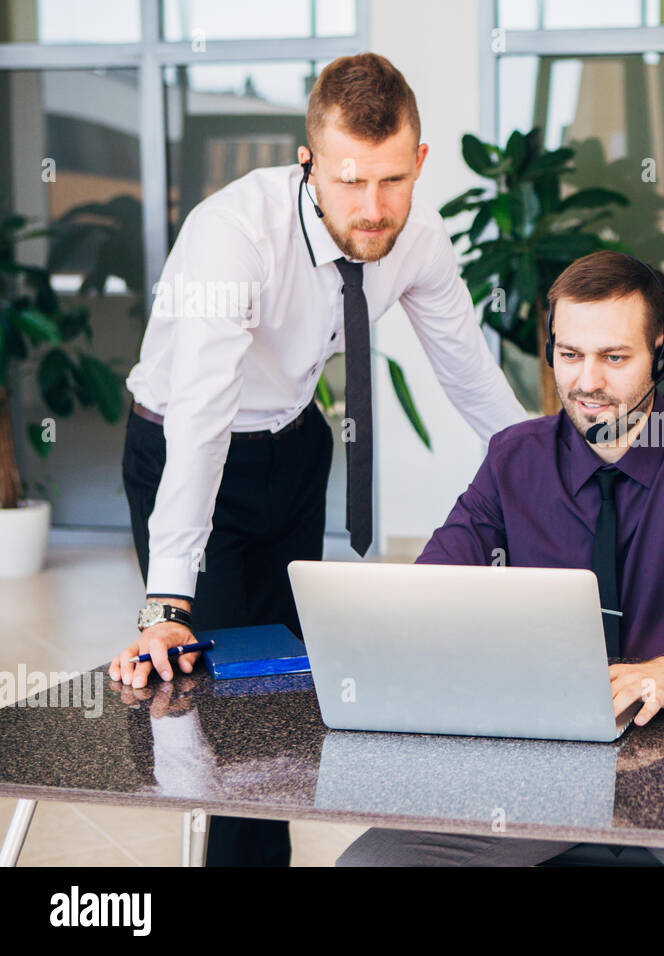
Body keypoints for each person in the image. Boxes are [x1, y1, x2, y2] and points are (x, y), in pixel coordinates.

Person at [107, 52, 528, 865]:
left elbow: (472, 379)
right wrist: (166, 602)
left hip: (295, 448)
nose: (373, 210)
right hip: (187, 451)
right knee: (229, 711)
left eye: (392, 180)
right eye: (349, 182)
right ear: (309, 165)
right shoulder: (232, 237)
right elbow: (200, 421)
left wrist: (560, 473)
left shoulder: (419, 237)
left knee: (292, 689)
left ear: (420, 161)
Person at [336, 250, 664, 866]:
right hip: (535, 773)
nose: (586, 382)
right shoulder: (514, 456)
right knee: (373, 865)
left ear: (663, 350)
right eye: (570, 355)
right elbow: (436, 586)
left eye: (614, 357)